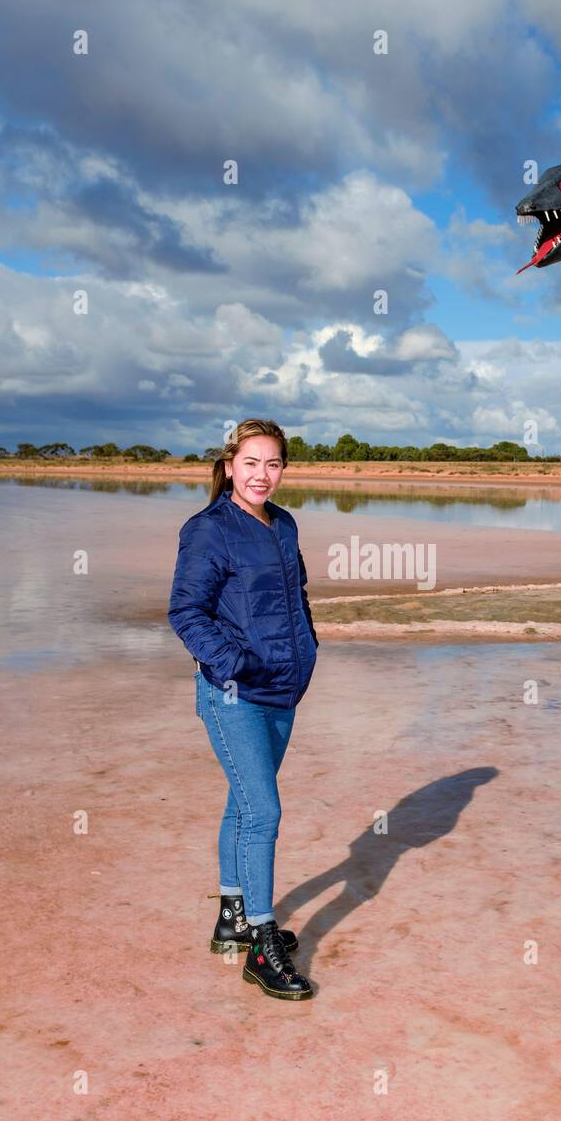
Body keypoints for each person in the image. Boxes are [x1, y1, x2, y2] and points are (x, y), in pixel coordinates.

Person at [168, 419, 318, 1001]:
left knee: (244, 801)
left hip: (285, 688)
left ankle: (232, 918)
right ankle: (260, 941)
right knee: (264, 813)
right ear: (230, 466)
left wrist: (306, 649)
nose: (262, 475)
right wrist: (234, 665)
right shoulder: (208, 530)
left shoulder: (284, 525)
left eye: (273, 463)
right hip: (235, 694)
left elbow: (296, 594)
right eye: (251, 463)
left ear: (283, 470)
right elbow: (186, 613)